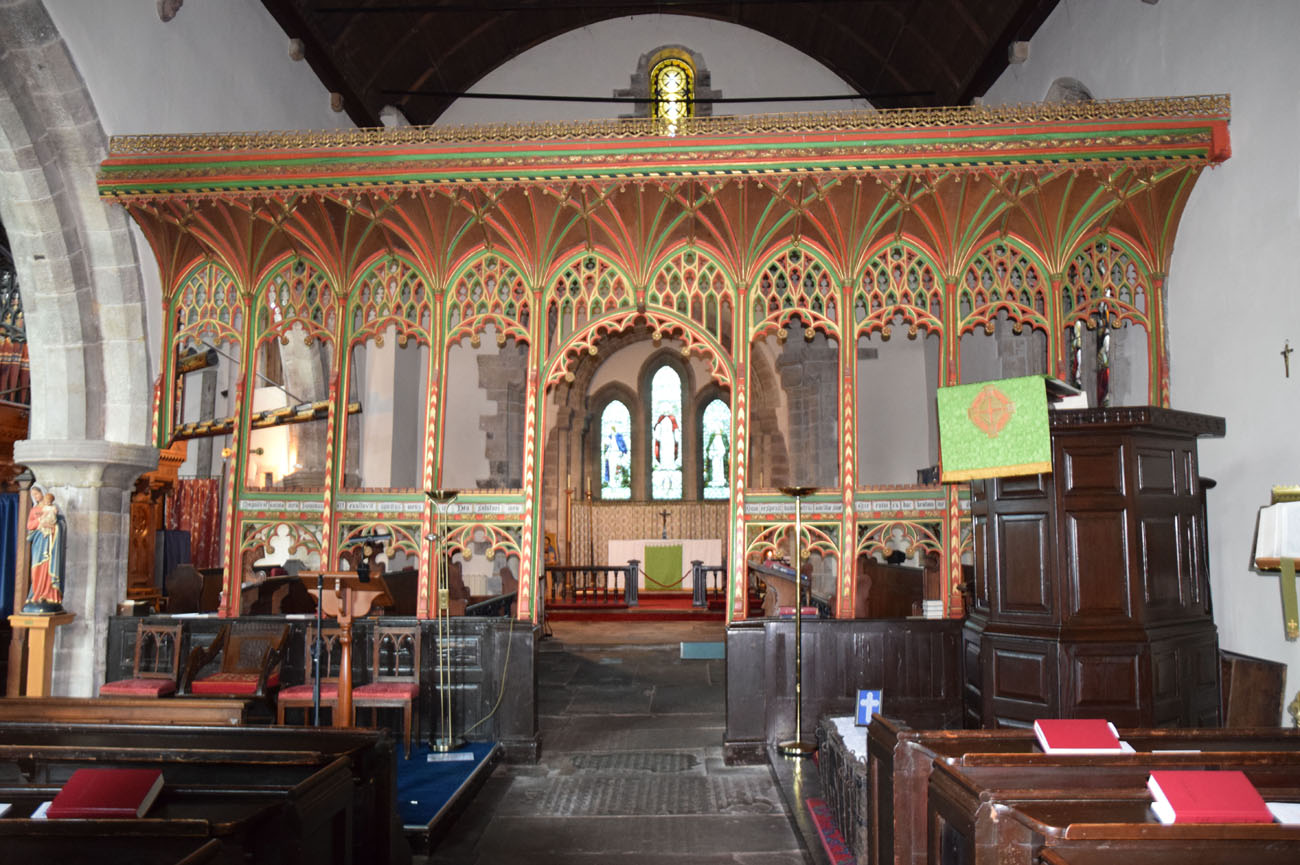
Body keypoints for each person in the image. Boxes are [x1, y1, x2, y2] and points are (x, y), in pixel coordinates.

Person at [23, 486, 67, 613]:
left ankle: (49, 596)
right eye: (34, 495)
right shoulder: (34, 510)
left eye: (37, 494)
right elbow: (29, 526)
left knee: (48, 568)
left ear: (43, 493)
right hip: (38, 543)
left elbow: (59, 524)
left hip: (50, 544)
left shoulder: (53, 508)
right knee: (36, 569)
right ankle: (37, 594)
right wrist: (39, 520)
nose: (36, 497)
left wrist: (54, 528)